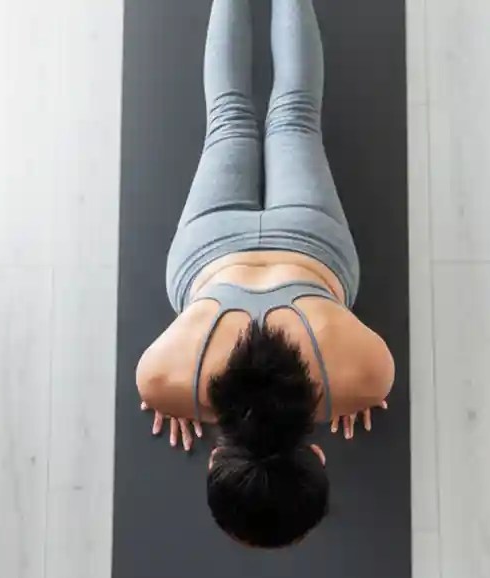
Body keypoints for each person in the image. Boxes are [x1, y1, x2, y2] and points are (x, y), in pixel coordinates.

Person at [135, 0, 395, 549]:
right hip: (211, 248)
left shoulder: (368, 376)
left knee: (295, 112)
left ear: (316, 455)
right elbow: (175, 393)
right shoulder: (161, 378)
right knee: (227, 116)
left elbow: (351, 386)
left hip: (310, 243)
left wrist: (338, 398)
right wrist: (191, 401)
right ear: (214, 461)